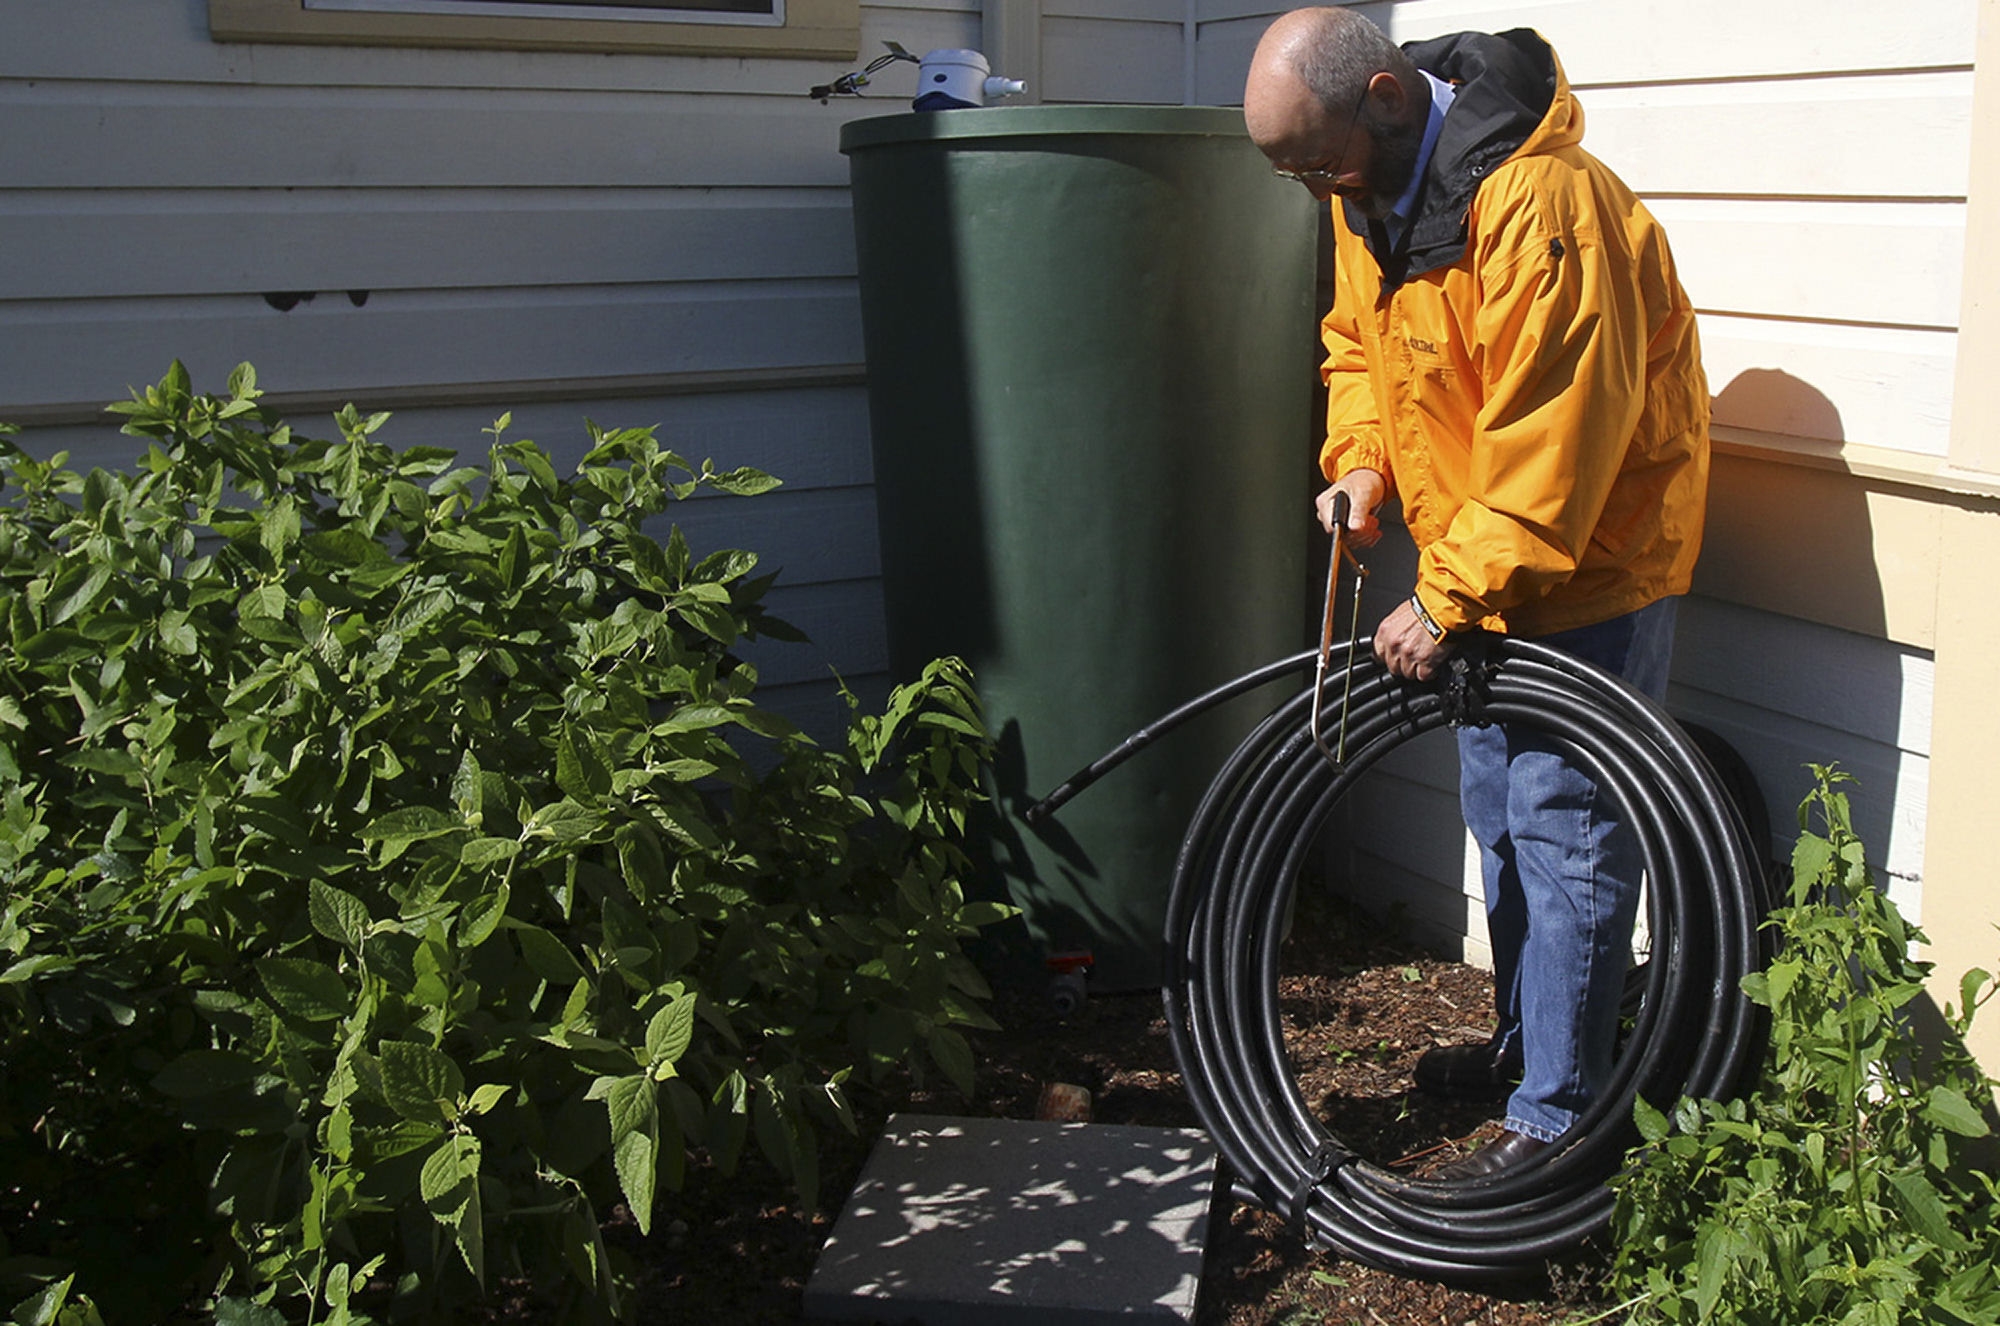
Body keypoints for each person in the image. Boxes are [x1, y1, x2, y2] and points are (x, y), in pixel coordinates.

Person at [1243, 9, 1710, 1179]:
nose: (1315, 189)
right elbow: (1358, 344)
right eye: (1294, 172)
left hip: (1583, 566)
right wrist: (1358, 461)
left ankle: (1559, 1119)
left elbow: (1556, 430)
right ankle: (1524, 1055)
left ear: (1390, 100)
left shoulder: (1547, 205)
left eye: (1319, 161)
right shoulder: (1370, 192)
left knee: (1564, 838)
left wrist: (1445, 592)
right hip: (1479, 566)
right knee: (1502, 826)